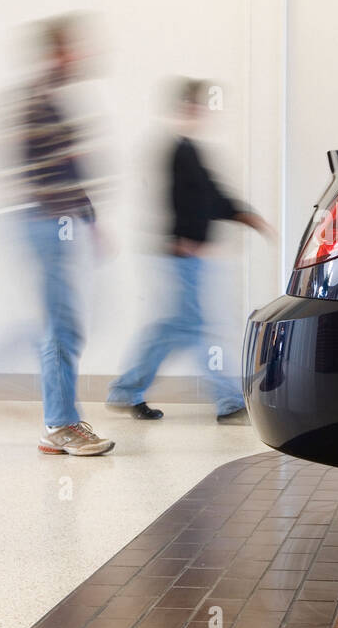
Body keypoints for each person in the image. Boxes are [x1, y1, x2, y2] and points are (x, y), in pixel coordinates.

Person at [107, 78, 272, 425]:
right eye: (194, 105)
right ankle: (228, 401)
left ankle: (126, 391)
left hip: (187, 252)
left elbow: (212, 195)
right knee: (195, 326)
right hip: (180, 251)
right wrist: (185, 237)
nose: (199, 111)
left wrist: (246, 216)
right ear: (183, 107)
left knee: (173, 327)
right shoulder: (175, 150)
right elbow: (179, 198)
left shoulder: (190, 150)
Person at [17, 16, 114, 456]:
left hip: (53, 224)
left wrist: (90, 220)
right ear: (56, 53)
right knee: (60, 327)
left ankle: (60, 423)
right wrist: (82, 218)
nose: (81, 55)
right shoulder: (39, 102)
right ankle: (60, 425)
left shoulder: (52, 101)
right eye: (73, 48)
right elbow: (48, 174)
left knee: (64, 326)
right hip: (44, 224)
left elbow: (69, 169)